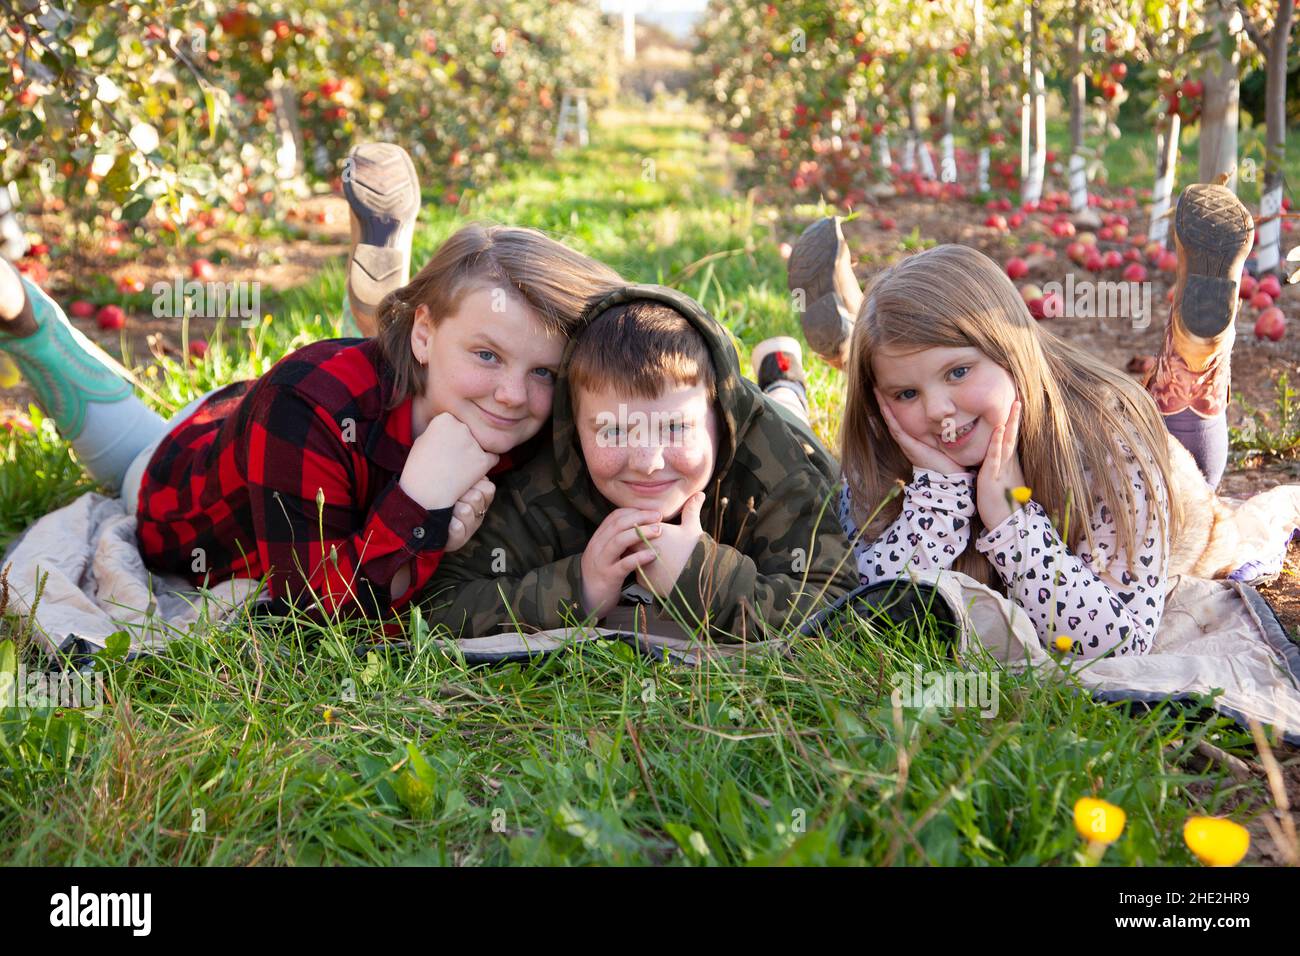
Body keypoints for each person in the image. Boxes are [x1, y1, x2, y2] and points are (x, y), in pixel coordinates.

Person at [0, 144, 624, 618]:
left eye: (542, 370)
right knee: (130, 451)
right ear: (429, 337)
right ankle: (25, 318)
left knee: (374, 371)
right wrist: (421, 506)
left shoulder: (521, 415)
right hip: (191, 464)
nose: (515, 394)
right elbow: (313, 615)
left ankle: (390, 312)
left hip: (344, 398)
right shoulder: (306, 406)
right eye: (487, 355)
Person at [757, 183, 1299, 659]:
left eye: (959, 371)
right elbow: (857, 602)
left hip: (1154, 469)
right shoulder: (890, 445)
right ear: (879, 402)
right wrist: (940, 499)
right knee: (913, 367)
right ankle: (864, 345)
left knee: (1195, 475)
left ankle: (1195, 355)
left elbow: (1116, 640)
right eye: (905, 392)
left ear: (1010, 353)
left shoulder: (1113, 449)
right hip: (1021, 400)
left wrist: (1012, 522)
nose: (937, 409)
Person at [421, 284, 858, 643]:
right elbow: (439, 604)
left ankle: (783, 376)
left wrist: (700, 576)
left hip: (778, 424)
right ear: (573, 427)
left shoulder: (772, 469)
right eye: (613, 431)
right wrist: (580, 587)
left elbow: (840, 602)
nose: (648, 463)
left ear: (719, 419)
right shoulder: (545, 479)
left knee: (787, 411)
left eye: (675, 428)